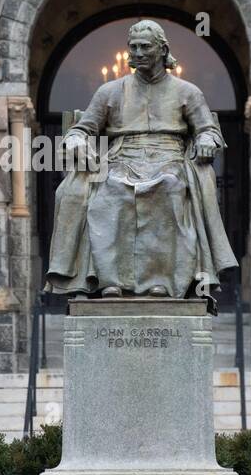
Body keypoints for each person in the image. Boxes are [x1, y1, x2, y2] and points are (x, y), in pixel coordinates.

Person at [43, 19, 238, 301]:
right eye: (133, 47)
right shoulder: (109, 91)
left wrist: (207, 141)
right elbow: (82, 129)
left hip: (170, 158)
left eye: (145, 46)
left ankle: (161, 281)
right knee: (110, 190)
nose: (137, 52)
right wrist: (75, 140)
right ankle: (110, 281)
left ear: (162, 50)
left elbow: (208, 130)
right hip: (122, 157)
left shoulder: (188, 91)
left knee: (168, 187)